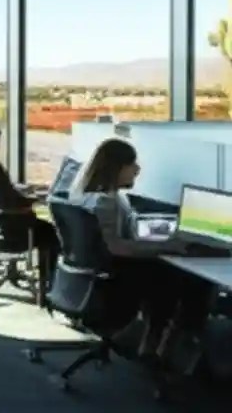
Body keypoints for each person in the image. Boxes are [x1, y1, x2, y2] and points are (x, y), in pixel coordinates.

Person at [69, 138, 214, 370]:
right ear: (117, 167)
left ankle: (158, 343)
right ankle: (168, 346)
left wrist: (161, 235)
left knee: (176, 276)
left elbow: (123, 236)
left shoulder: (88, 195)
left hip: (105, 274)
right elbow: (117, 246)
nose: (138, 169)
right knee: (188, 279)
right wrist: (167, 246)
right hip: (119, 280)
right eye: (132, 163)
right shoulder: (107, 201)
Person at [0, 117, 60, 290]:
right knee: (50, 232)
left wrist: (25, 191)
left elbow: (2, 194)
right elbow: (9, 202)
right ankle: (48, 285)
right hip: (11, 231)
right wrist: (37, 199)